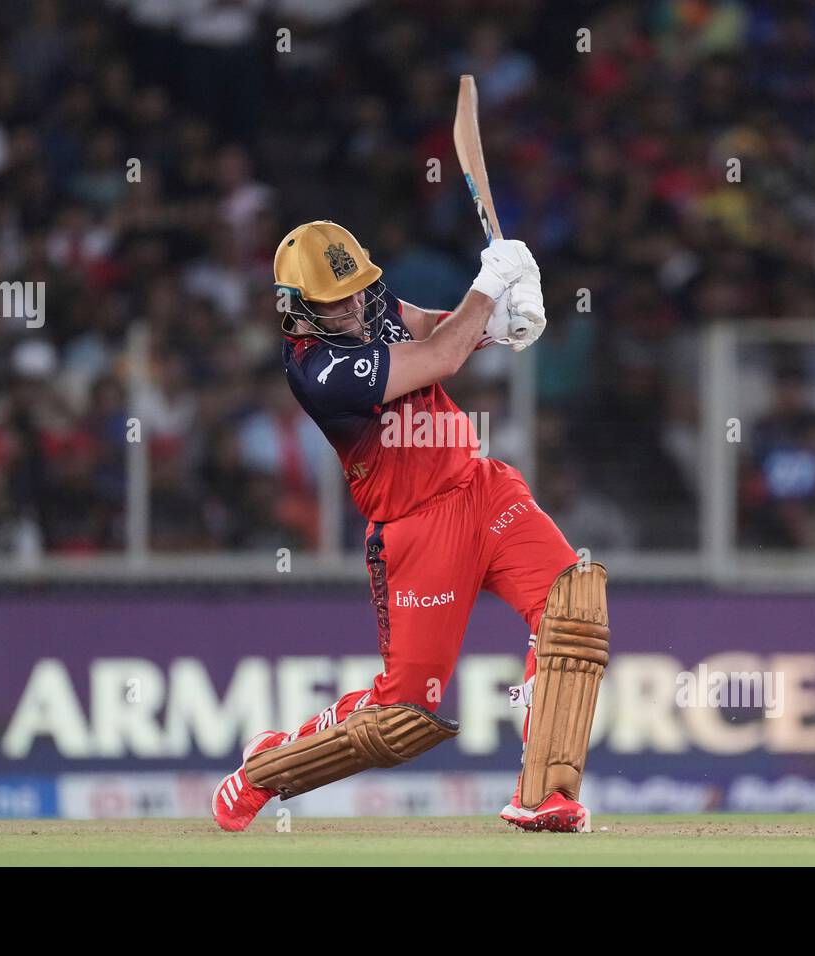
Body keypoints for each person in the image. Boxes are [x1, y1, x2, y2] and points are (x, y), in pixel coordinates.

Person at [211, 221, 610, 833]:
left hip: (483, 488)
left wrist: (500, 326)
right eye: (332, 301)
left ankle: (544, 795)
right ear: (295, 310)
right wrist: (490, 284)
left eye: (356, 291)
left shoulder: (366, 302)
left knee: (572, 606)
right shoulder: (317, 370)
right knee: (404, 714)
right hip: (416, 530)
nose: (350, 308)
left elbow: (427, 325)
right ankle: (269, 765)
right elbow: (438, 356)